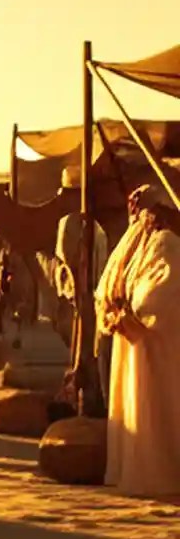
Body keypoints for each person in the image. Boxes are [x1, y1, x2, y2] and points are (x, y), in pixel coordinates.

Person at [95, 184, 180, 498]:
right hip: (132, 343)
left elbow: (159, 297)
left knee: (157, 408)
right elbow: (108, 290)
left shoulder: (166, 245)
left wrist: (132, 315)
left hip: (158, 345)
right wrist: (118, 315)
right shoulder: (133, 248)